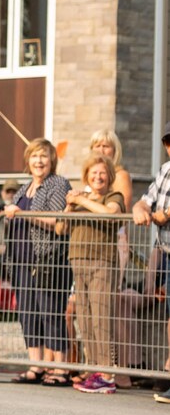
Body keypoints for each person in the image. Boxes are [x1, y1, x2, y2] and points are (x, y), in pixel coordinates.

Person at [0, 138, 72, 386]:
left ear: (52, 160)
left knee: (51, 312)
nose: (39, 161)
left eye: (44, 156)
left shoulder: (58, 184)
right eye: (34, 156)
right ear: (28, 160)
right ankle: (36, 366)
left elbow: (57, 222)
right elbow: (13, 213)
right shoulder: (25, 188)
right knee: (28, 314)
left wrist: (23, 214)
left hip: (47, 260)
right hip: (21, 261)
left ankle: (60, 368)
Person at [56, 154, 124, 394]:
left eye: (102, 173)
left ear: (109, 176)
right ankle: (94, 368)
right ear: (87, 175)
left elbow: (110, 213)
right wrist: (69, 205)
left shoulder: (113, 197)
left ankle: (106, 374)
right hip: (78, 262)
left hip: (101, 263)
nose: (98, 177)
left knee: (101, 318)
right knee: (84, 319)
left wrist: (82, 201)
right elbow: (60, 228)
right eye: (93, 173)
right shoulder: (81, 199)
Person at [130, 121, 170, 403]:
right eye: (169, 141)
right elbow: (145, 200)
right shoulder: (166, 170)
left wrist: (166, 214)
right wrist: (140, 208)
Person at [90, 130, 132, 213]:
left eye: (105, 146)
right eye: (97, 146)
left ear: (115, 151)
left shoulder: (120, 176)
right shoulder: (91, 175)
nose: (101, 150)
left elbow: (124, 211)